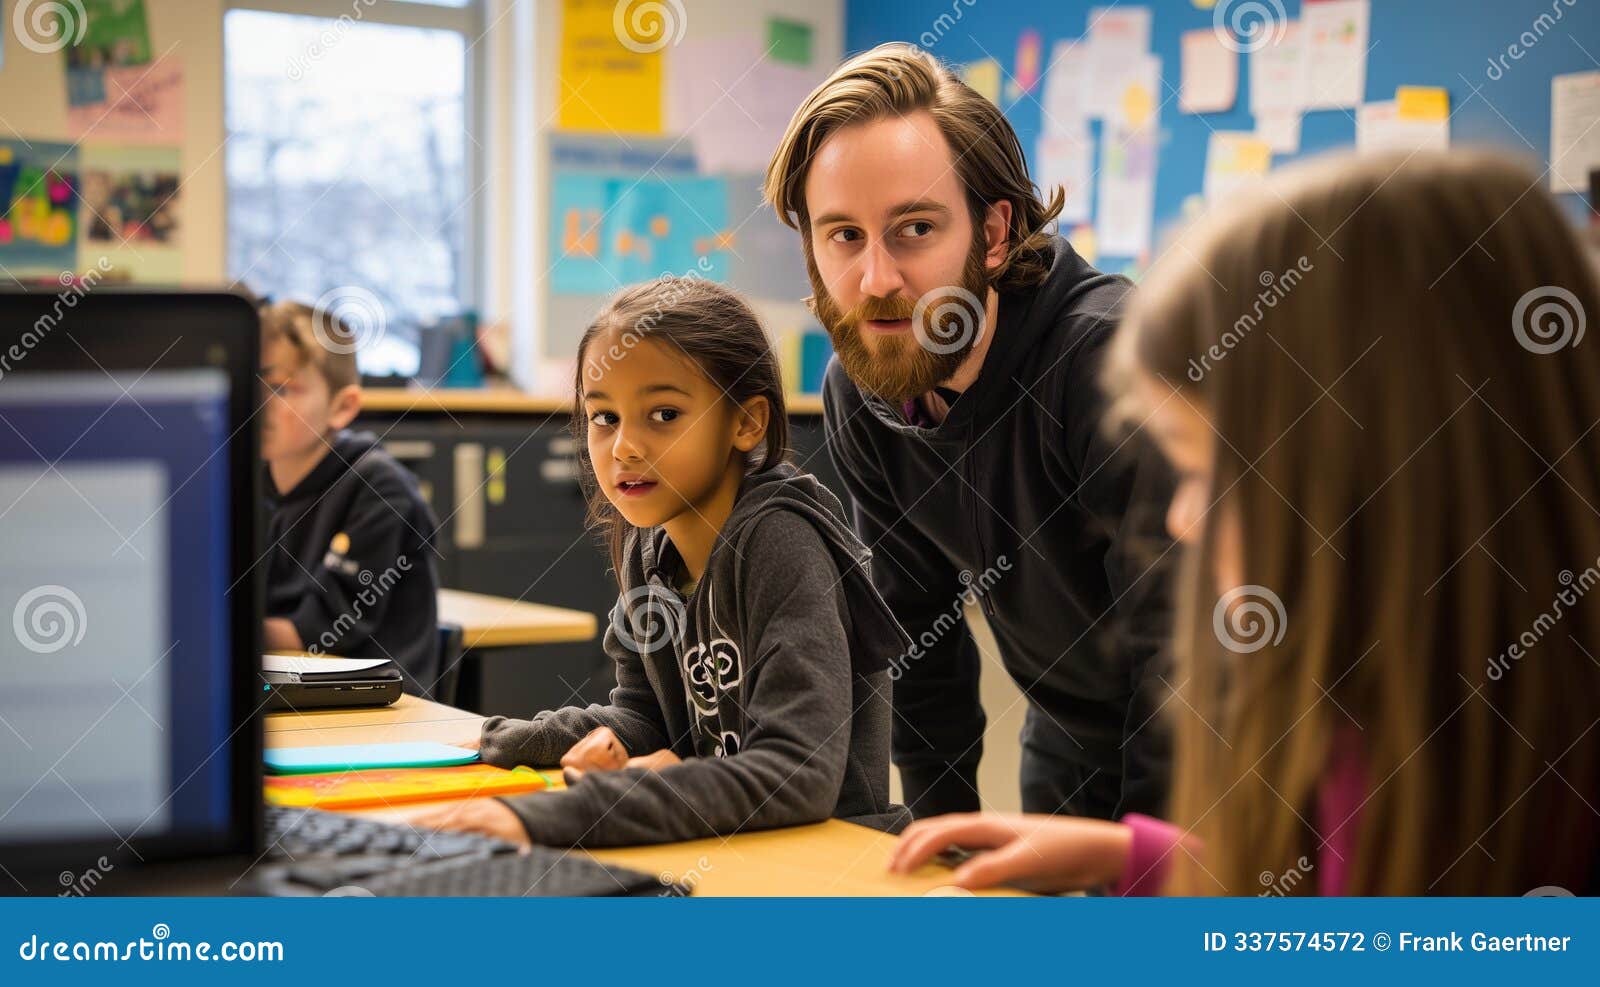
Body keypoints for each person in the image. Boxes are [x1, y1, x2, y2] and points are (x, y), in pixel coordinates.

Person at [890, 151, 1600, 895]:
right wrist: (1124, 856)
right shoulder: (1374, 724)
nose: (1183, 518)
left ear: (1390, 480)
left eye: (1208, 475)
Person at [764, 42, 1173, 819]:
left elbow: (1184, 661)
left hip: (1235, 749)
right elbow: (917, 638)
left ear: (992, 234)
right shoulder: (865, 388)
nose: (876, 280)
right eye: (843, 235)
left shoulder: (1110, 368)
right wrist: (940, 854)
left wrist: (1149, 875)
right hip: (1072, 738)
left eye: (913, 228)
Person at [410, 278, 910, 847]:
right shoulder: (652, 549)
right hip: (722, 848)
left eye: (664, 414)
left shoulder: (781, 544)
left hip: (829, 864)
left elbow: (796, 776)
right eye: (604, 418)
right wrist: (504, 741)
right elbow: (647, 720)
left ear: (746, 423)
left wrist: (560, 816)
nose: (624, 446)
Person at [259, 299, 440, 693]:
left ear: (343, 407)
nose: (259, 404)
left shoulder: (379, 489)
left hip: (378, 709)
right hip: (285, 690)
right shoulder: (252, 482)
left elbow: (318, 632)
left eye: (281, 389)